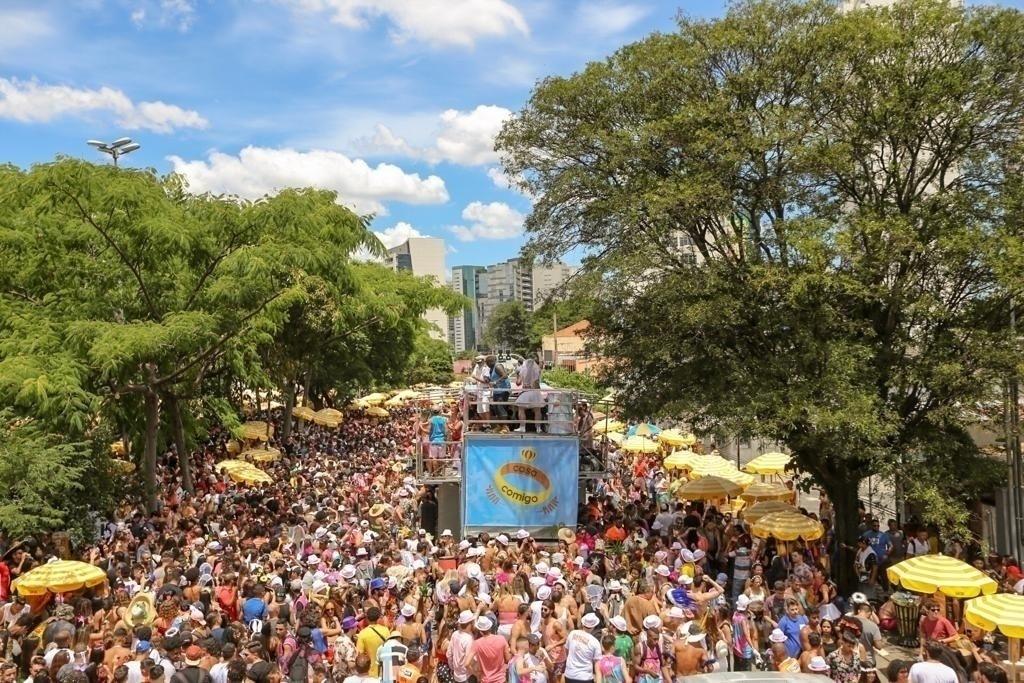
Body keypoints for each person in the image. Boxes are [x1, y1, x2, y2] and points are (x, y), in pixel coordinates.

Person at [564, 613, 602, 683]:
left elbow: (566, 651)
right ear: (594, 626)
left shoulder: (572, 633)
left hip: (569, 674)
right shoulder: (595, 642)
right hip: (585, 677)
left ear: (582, 624)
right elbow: (597, 664)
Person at [356, 608, 391, 679]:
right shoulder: (386, 630)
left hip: (370, 673)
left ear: (367, 618)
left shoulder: (362, 634)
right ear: (378, 618)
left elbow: (359, 654)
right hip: (384, 671)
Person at [513, 355, 544, 433]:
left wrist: (517, 376)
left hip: (527, 392)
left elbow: (518, 383)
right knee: (537, 410)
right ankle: (538, 428)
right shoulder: (537, 370)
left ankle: (522, 427)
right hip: (536, 392)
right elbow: (537, 381)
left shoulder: (523, 370)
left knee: (521, 408)